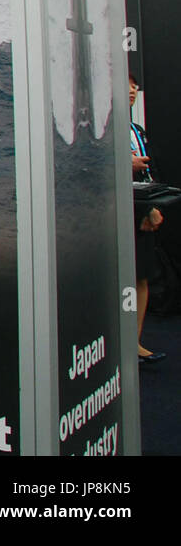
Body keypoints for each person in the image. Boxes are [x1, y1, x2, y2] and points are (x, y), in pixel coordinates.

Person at [129, 72, 166, 365]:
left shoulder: (136, 129)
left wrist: (153, 206)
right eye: (126, 85)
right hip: (116, 212)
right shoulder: (100, 129)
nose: (132, 90)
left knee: (141, 277)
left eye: (134, 86)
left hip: (142, 209)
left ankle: (134, 343)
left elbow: (150, 171)